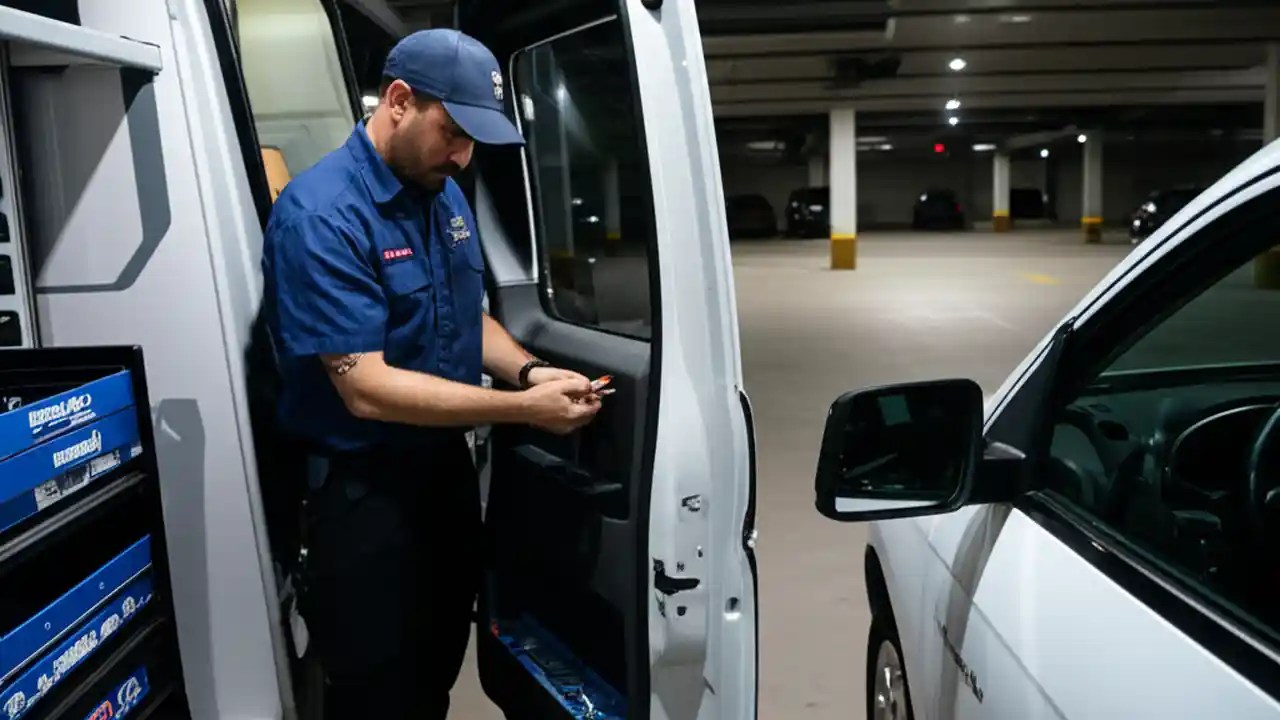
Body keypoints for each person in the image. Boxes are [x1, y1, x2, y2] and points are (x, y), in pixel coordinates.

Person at [260, 28, 602, 719]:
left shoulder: (438, 190)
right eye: (452, 132)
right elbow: (365, 388)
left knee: (437, 673)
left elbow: (461, 319)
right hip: (364, 500)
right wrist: (518, 410)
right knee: (379, 693)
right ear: (398, 101)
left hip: (440, 479)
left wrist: (529, 371)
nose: (464, 155)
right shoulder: (322, 215)